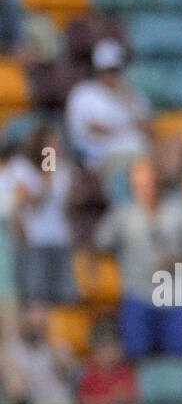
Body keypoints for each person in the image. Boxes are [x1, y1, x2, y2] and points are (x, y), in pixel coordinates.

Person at [95, 156, 182, 359]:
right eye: (139, 181)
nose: (145, 187)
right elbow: (100, 244)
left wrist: (178, 264)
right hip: (138, 293)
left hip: (174, 296)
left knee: (176, 359)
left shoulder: (180, 210)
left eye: (149, 180)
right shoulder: (123, 214)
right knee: (136, 356)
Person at [8, 125, 76, 304]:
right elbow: (27, 203)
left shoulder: (64, 170)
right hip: (35, 239)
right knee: (36, 295)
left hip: (60, 238)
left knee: (62, 295)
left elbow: (67, 206)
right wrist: (46, 178)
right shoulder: (21, 167)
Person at [65, 39, 151, 175]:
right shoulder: (84, 93)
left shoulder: (131, 93)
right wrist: (127, 128)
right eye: (107, 71)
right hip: (98, 156)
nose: (112, 76)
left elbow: (148, 128)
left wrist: (127, 100)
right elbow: (94, 130)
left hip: (135, 149)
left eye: (116, 70)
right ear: (97, 70)